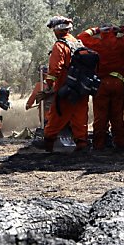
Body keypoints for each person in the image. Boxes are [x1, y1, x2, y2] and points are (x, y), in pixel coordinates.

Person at [78, 24, 124, 151]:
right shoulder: (121, 43)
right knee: (117, 116)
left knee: (100, 117)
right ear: (115, 33)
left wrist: (96, 29)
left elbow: (81, 36)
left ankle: (99, 145)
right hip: (118, 84)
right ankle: (120, 144)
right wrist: (122, 29)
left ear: (103, 34)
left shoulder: (97, 44)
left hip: (101, 85)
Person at [41, 15, 90, 152]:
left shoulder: (60, 46)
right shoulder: (78, 43)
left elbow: (55, 68)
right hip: (81, 89)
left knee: (57, 116)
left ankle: (48, 144)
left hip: (65, 89)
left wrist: (49, 85)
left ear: (57, 30)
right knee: (80, 117)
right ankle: (82, 144)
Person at [25, 65, 53, 132]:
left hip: (45, 108)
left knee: (46, 123)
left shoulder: (40, 84)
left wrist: (28, 104)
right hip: (55, 108)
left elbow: (34, 95)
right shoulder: (55, 82)